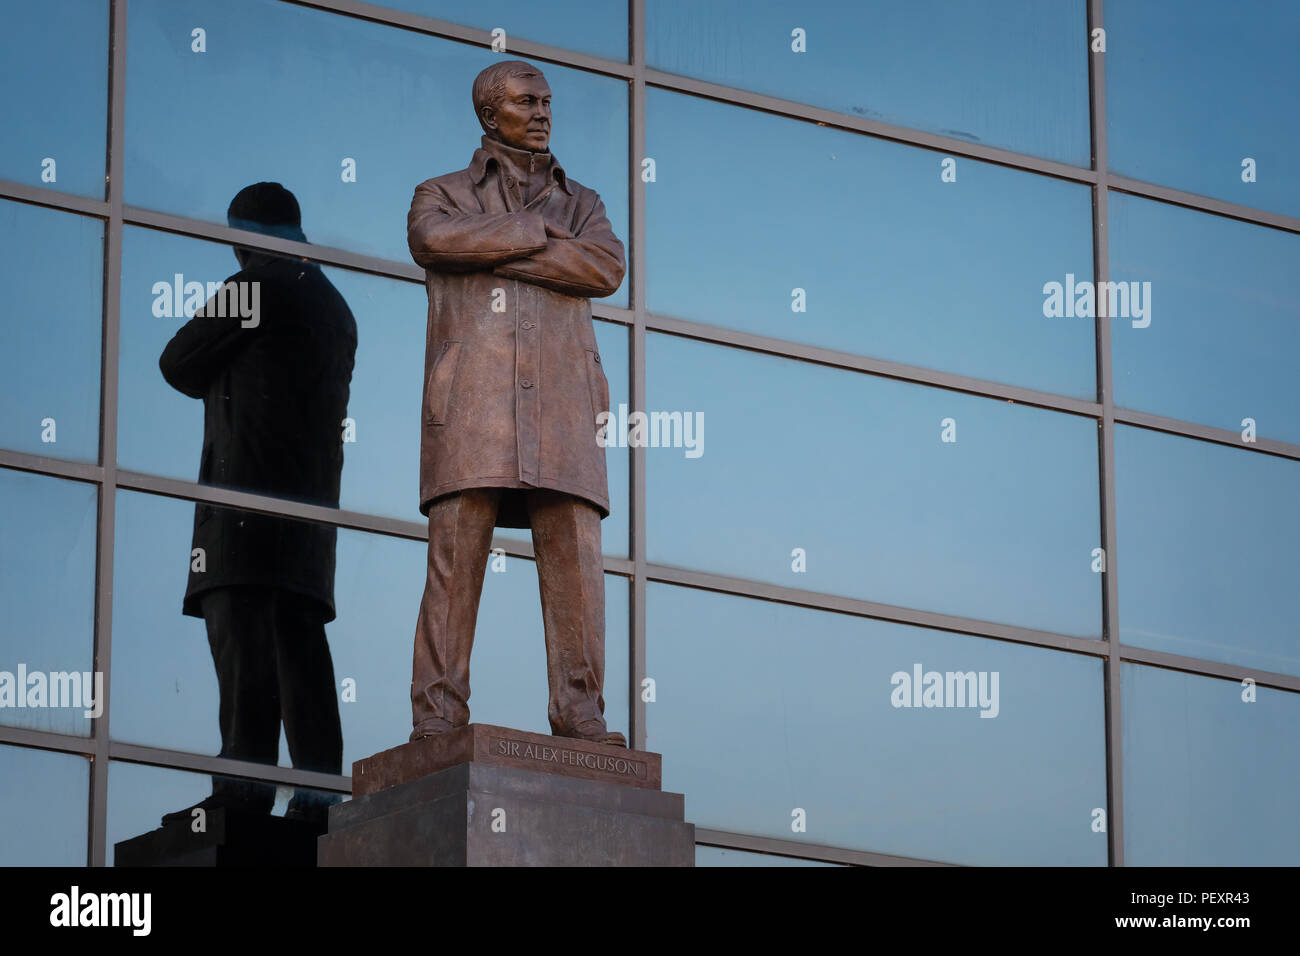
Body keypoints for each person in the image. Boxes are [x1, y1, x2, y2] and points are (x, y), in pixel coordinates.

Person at [407, 61, 627, 745]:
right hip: (473, 402)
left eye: (548, 102)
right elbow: (434, 240)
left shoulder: (584, 202)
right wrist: (538, 237)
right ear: (488, 114)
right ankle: (438, 716)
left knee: (578, 564)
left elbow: (606, 267)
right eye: (527, 102)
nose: (542, 113)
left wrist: (491, 247)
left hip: (562, 407)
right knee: (455, 558)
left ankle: (580, 710)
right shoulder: (439, 193)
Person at [158, 182, 357, 825]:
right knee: (297, 644)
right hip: (307, 515)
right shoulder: (333, 304)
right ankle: (318, 791)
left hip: (245, 503)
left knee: (243, 645)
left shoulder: (261, 288)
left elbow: (178, 361)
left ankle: (243, 787)